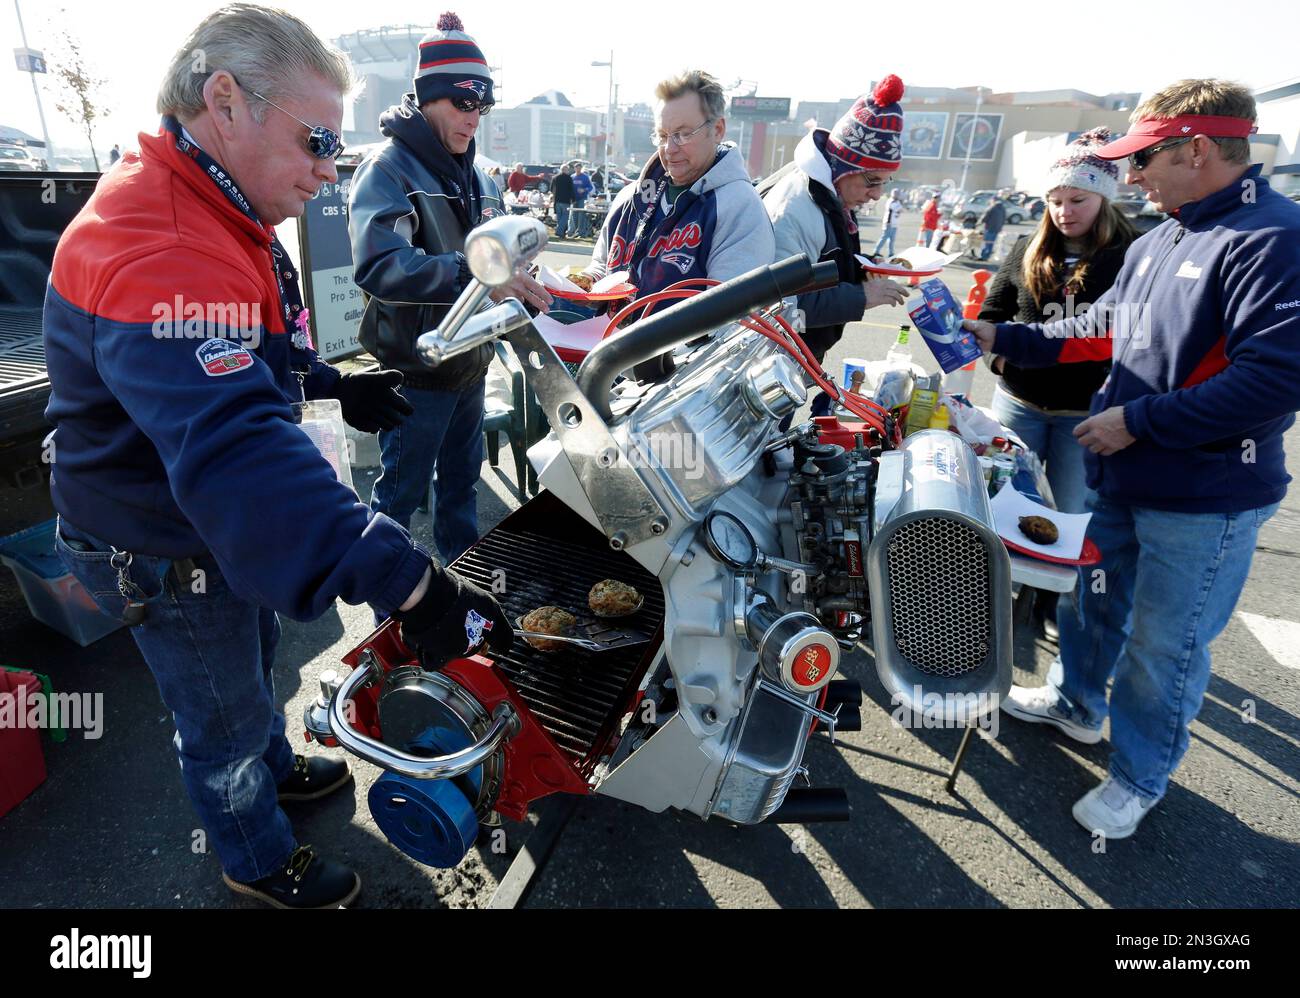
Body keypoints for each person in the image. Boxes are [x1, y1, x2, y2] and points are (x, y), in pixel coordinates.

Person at [44, 3, 513, 909]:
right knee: (216, 713)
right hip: (156, 540)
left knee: (247, 665)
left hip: (191, 523)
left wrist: (333, 384)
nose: (328, 172)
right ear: (225, 100)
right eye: (314, 143)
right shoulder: (163, 245)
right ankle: (253, 854)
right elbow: (241, 456)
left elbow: (247, 356)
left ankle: (271, 765)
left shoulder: (199, 200)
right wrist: (412, 581)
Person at [964, 79, 1300, 839]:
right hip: (1129, 476)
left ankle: (1139, 775)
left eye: (1143, 157)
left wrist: (1135, 421)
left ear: (1200, 149)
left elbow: (1275, 380)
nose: (1132, 176)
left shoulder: (1275, 238)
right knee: (1092, 602)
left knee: (1162, 647)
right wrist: (1003, 337)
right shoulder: (1162, 236)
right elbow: (1099, 329)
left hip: (1206, 494)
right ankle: (1080, 704)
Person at [350, 12, 552, 561]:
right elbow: (381, 267)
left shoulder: (479, 173)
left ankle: (464, 595)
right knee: (396, 501)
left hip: (471, 362)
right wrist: (481, 275)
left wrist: (522, 269)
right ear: (426, 99)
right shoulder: (386, 170)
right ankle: (387, 623)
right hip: (414, 373)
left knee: (461, 490)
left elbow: (500, 252)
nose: (474, 119)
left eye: (482, 107)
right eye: (464, 104)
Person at [980, 128, 1136, 517]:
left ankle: (1056, 581)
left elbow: (1136, 333)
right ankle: (1011, 580)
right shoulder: (1025, 248)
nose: (1065, 211)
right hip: (1017, 406)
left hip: (1083, 418)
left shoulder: (1132, 253)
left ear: (1104, 197)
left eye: (1077, 200)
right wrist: (999, 361)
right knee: (1004, 509)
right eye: (1055, 201)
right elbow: (991, 315)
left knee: (1069, 516)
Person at [584, 69, 774, 304]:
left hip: (677, 342)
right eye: (663, 136)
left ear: (717, 130)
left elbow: (730, 315)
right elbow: (602, 266)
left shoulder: (739, 207)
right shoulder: (630, 198)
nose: (669, 149)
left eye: (683, 134)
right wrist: (585, 281)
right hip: (605, 339)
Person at [760, 75, 909, 369]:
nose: (877, 194)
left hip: (793, 353)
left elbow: (828, 262)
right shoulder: (794, 210)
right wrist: (860, 296)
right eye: (871, 181)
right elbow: (778, 308)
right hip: (770, 361)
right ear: (843, 167)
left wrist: (868, 266)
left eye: (884, 182)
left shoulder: (832, 192)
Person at [872, 187, 903, 257]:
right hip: (889, 223)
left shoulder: (898, 202)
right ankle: (876, 251)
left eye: (898, 194)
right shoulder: (890, 201)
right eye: (896, 194)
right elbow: (892, 210)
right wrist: (888, 223)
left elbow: (900, 210)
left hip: (895, 223)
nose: (897, 195)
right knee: (884, 238)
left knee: (892, 239)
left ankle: (891, 253)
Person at [569, 162, 594, 238]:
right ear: (574, 168)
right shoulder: (572, 177)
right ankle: (574, 231)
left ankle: (581, 232)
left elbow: (590, 187)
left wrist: (584, 190)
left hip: (582, 198)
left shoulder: (585, 177)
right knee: (574, 215)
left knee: (581, 215)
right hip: (574, 199)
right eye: (576, 168)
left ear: (581, 168)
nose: (578, 169)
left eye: (579, 168)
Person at [978, 195, 1006, 260]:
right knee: (991, 243)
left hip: (989, 227)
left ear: (993, 200)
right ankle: (987, 256)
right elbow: (1004, 219)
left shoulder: (992, 208)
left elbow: (984, 218)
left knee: (987, 242)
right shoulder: (1002, 208)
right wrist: (1000, 227)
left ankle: (984, 256)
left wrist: (978, 224)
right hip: (997, 228)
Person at [552, 162, 575, 239]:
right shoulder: (569, 178)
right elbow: (571, 190)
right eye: (567, 169)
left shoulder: (555, 178)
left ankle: (561, 233)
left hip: (557, 200)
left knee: (559, 217)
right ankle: (559, 231)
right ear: (566, 170)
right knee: (565, 217)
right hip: (565, 200)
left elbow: (551, 189)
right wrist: (573, 199)